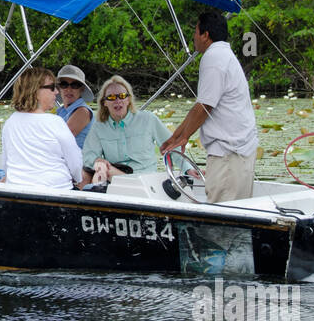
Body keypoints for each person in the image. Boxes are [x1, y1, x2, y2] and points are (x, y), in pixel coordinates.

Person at [163, 11, 259, 203]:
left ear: (205, 35)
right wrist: (176, 136)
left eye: (196, 32)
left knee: (223, 220)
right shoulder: (224, 54)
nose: (194, 37)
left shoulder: (214, 57)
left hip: (229, 154)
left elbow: (204, 107)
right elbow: (201, 107)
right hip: (237, 153)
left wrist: (183, 138)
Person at [1, 67, 83, 189]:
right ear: (35, 91)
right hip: (57, 191)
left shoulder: (10, 122)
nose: (56, 91)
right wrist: (78, 179)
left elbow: (6, 164)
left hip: (17, 191)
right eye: (51, 87)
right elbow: (76, 164)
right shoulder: (55, 122)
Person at [82, 76, 172, 184]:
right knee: (97, 171)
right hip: (116, 178)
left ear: (128, 99)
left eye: (122, 96)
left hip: (146, 179)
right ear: (104, 103)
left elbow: (171, 146)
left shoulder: (148, 119)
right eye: (111, 97)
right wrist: (97, 161)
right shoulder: (99, 127)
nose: (118, 100)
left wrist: (188, 169)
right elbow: (88, 155)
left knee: (105, 171)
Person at [54, 65, 95, 148]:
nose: (69, 89)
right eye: (64, 84)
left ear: (82, 89)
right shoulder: (61, 111)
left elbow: (61, 140)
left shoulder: (83, 111)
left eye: (75, 85)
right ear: (59, 88)